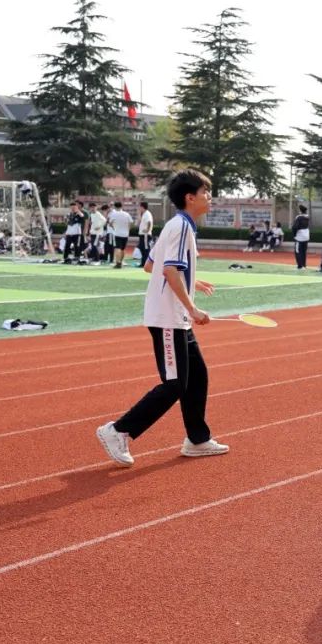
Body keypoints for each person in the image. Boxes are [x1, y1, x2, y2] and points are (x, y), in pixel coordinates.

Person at [96, 169, 228, 466]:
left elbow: (150, 265)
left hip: (174, 317)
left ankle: (197, 439)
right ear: (189, 197)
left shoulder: (177, 226)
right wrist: (193, 308)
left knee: (197, 376)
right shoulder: (181, 226)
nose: (210, 198)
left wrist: (194, 281)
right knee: (175, 383)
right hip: (169, 317)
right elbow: (168, 270)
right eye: (206, 192)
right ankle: (118, 430)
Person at [109, 201, 133, 269]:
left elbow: (110, 223)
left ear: (115, 207)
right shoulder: (126, 214)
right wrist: (128, 229)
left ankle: (118, 262)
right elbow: (131, 222)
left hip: (117, 233)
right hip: (125, 234)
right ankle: (121, 262)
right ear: (121, 206)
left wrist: (114, 227)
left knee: (117, 248)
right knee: (123, 249)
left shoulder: (114, 214)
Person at [291, 205, 311, 269]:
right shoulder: (307, 217)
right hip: (306, 235)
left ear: (300, 210)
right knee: (303, 251)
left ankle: (300, 266)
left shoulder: (299, 217)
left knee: (297, 251)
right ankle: (304, 265)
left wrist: (294, 235)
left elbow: (295, 227)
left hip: (299, 236)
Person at [136, 201, 154, 268]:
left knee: (145, 249)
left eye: (139, 206)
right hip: (142, 234)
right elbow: (140, 222)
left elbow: (149, 222)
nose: (139, 208)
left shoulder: (147, 214)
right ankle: (143, 262)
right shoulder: (143, 214)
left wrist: (147, 229)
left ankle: (146, 263)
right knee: (142, 248)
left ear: (142, 207)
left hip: (145, 235)